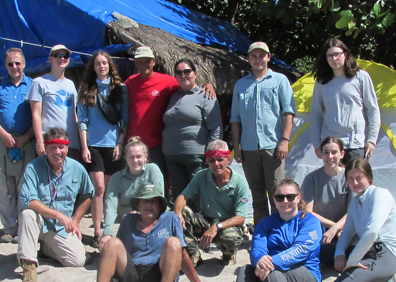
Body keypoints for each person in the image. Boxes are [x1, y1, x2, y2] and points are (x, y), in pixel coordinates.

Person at [86, 186, 206, 282]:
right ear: (138, 205)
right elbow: (115, 254)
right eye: (144, 201)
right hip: (133, 280)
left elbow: (182, 254)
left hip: (160, 278)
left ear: (160, 205)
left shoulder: (170, 218)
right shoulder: (128, 220)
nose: (149, 205)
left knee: (174, 242)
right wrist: (111, 280)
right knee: (111, 242)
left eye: (154, 201)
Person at [222, 179, 324, 282]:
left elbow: (302, 249)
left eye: (290, 197)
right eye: (279, 197)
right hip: (270, 277)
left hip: (305, 277)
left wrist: (270, 263)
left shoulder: (309, 221)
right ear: (274, 199)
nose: (285, 201)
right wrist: (259, 261)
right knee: (245, 270)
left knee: (272, 270)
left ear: (298, 198)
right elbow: (257, 248)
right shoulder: (265, 223)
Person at [124, 45, 215, 192]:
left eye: (147, 61)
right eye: (140, 61)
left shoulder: (168, 82)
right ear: (135, 63)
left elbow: (188, 84)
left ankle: (164, 213)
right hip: (135, 143)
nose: (144, 65)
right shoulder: (129, 82)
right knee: (135, 183)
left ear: (153, 61)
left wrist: (207, 85)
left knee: (161, 182)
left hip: (158, 144)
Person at [230, 41, 295, 226]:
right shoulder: (241, 85)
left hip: (274, 146)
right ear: (248, 59)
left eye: (261, 55)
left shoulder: (280, 80)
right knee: (257, 195)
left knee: (278, 193)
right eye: (254, 56)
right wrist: (237, 147)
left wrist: (284, 140)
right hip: (249, 148)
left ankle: (279, 232)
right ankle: (261, 233)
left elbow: (288, 112)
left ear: (268, 57)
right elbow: (235, 119)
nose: (258, 59)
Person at [17, 128, 94, 282]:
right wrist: (59, 215)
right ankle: (29, 265)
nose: (57, 152)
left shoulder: (76, 168)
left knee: (78, 261)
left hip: (60, 228)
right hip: (38, 222)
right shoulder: (33, 167)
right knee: (27, 213)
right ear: (45, 148)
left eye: (61, 147)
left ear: (67, 147)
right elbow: (29, 201)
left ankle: (46, 249)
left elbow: (89, 194)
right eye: (53, 147)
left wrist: (76, 220)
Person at [326, 158, 396, 282]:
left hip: (383, 253)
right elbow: (347, 232)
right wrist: (339, 254)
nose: (355, 183)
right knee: (322, 251)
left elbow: (372, 232)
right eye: (351, 179)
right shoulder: (356, 201)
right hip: (365, 250)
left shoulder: (380, 195)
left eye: (359, 178)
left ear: (369, 177)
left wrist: (352, 261)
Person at [77, 50, 129, 245]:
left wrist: (120, 143)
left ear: (110, 66)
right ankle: (98, 231)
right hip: (93, 144)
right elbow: (82, 120)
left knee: (110, 190)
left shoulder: (120, 89)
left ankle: (109, 228)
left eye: (104, 63)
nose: (101, 66)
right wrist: (84, 147)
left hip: (113, 144)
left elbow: (125, 118)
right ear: (93, 67)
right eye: (98, 63)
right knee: (98, 188)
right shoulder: (87, 89)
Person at [0, 47, 34, 243]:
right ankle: (8, 228)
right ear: (5, 66)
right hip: (0, 142)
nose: (14, 66)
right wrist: (3, 134)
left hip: (26, 142)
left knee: (24, 186)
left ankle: (22, 228)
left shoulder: (33, 86)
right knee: (3, 186)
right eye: (10, 63)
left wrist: (26, 136)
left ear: (24, 64)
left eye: (17, 63)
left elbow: (39, 116)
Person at [174, 140, 251, 266]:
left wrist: (217, 227)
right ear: (207, 162)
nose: (216, 164)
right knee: (180, 213)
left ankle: (228, 255)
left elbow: (241, 217)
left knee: (230, 237)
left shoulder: (239, 182)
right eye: (212, 160)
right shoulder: (201, 176)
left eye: (220, 159)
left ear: (228, 159)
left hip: (226, 225)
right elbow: (183, 196)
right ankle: (193, 255)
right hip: (205, 221)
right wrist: (178, 213)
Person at [309, 38, 381, 164]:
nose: (334, 59)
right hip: (331, 145)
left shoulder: (360, 77)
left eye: (337, 54)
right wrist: (316, 144)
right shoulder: (322, 82)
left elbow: (373, 110)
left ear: (345, 55)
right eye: (330, 55)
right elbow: (316, 114)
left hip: (355, 144)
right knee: (333, 182)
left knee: (357, 181)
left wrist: (372, 140)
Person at [162, 59, 222, 198]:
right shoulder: (173, 96)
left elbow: (216, 128)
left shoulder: (206, 95)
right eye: (179, 72)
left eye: (187, 71)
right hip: (172, 156)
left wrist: (212, 154)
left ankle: (201, 221)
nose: (183, 75)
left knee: (199, 196)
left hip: (197, 157)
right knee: (179, 197)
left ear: (195, 74)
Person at [99, 137, 165, 244]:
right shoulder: (116, 178)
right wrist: (107, 233)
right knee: (107, 247)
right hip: (125, 223)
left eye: (138, 157)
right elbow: (111, 207)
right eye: (131, 157)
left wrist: (138, 213)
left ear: (145, 157)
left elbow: (160, 200)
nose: (135, 161)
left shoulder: (153, 170)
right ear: (126, 158)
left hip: (151, 220)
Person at [301, 136, 350, 266]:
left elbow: (352, 212)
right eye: (326, 153)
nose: (330, 157)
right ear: (321, 154)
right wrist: (333, 227)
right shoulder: (311, 179)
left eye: (334, 152)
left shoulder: (349, 177)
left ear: (342, 154)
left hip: (344, 227)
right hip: (320, 227)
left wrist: (336, 228)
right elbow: (308, 212)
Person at [28, 44, 81, 160]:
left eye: (65, 56)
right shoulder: (39, 82)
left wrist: (80, 140)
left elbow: (74, 114)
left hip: (70, 143)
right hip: (50, 142)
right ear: (50, 58)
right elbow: (36, 114)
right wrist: (40, 141)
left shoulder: (71, 84)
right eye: (57, 55)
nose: (62, 58)